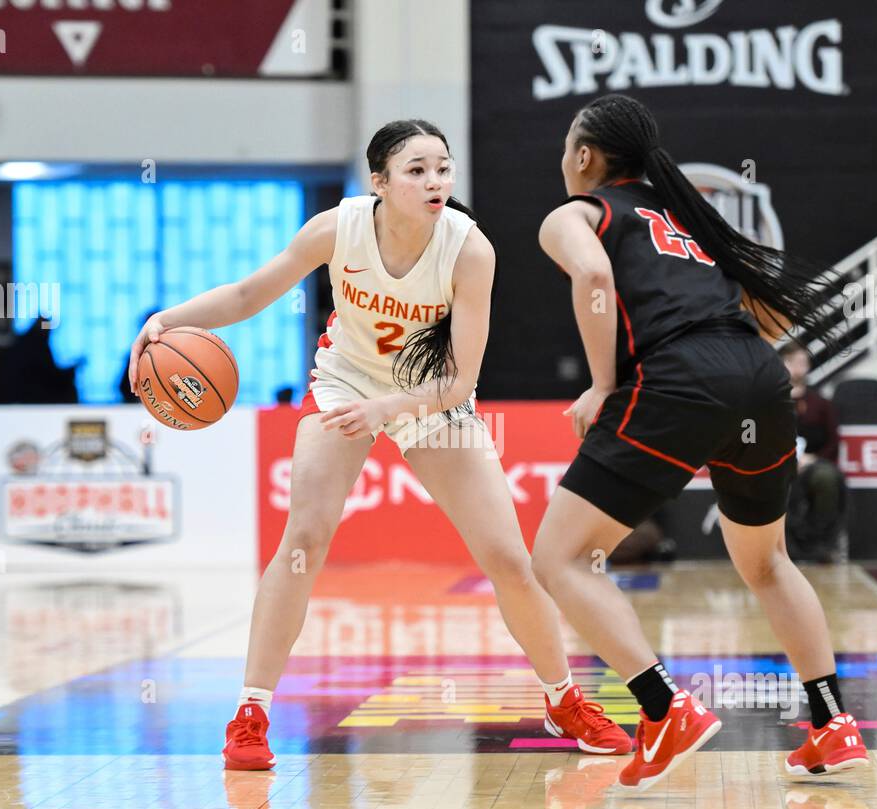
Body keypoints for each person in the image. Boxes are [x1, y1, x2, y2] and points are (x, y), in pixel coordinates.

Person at [128, 119, 632, 771]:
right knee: (304, 541)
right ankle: (249, 715)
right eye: (417, 169)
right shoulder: (336, 229)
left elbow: (461, 381)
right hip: (346, 380)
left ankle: (563, 700)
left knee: (509, 558)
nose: (435, 182)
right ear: (380, 181)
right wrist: (167, 321)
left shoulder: (469, 250)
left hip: (429, 393)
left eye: (442, 168)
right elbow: (252, 293)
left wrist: (393, 407)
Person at [529, 93, 870, 792]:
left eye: (568, 146)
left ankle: (664, 707)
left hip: (680, 377)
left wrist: (601, 385)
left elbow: (593, 277)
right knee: (769, 562)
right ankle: (832, 721)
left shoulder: (577, 212)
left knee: (558, 558)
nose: (563, 158)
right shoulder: (683, 213)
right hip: (758, 375)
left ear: (586, 157)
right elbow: (764, 306)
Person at [781, 342, 847, 563]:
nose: (799, 367)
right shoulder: (769, 400)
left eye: (803, 362)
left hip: (813, 463)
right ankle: (775, 545)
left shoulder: (820, 402)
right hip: (777, 463)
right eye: (793, 362)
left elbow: (834, 440)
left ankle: (818, 542)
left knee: (826, 478)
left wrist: (812, 459)